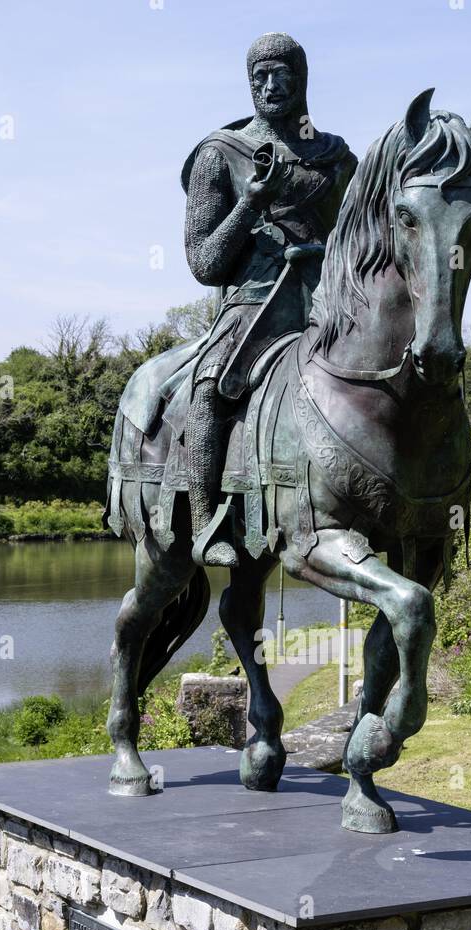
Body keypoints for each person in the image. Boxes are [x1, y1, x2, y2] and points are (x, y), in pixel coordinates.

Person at [182, 31, 357, 566]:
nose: (270, 84)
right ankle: (204, 524)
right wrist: (251, 202)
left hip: (330, 300)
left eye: (281, 73)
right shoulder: (222, 154)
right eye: (259, 75)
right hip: (255, 303)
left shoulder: (336, 159)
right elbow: (204, 264)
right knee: (212, 384)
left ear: (302, 79)